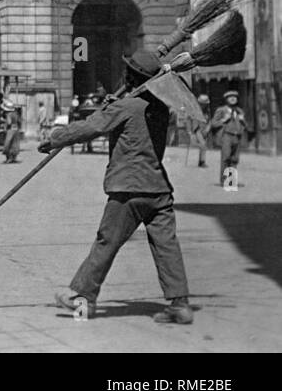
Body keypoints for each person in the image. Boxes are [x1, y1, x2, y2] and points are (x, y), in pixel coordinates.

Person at [39, 49, 194, 325]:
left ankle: (83, 298)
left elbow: (89, 128)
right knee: (166, 245)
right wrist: (115, 103)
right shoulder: (160, 109)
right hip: (159, 189)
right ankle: (179, 304)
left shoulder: (123, 107)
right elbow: (131, 119)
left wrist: (55, 139)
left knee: (107, 241)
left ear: (130, 77)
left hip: (128, 188)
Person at [211, 90, 247, 188]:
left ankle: (231, 181)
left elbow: (245, 125)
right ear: (226, 99)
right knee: (226, 158)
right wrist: (223, 120)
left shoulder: (239, 111)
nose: (232, 99)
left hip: (237, 136)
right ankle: (224, 180)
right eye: (230, 97)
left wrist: (243, 121)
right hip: (227, 136)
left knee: (235, 159)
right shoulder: (221, 110)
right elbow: (213, 123)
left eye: (234, 97)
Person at [188, 93, 211, 168]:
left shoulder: (207, 111)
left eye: (205, 104)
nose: (203, 105)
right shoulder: (193, 109)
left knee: (203, 145)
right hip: (196, 128)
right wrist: (189, 130)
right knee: (202, 144)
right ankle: (201, 161)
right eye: (202, 103)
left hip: (204, 129)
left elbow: (210, 120)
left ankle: (200, 161)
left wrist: (208, 128)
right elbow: (188, 119)